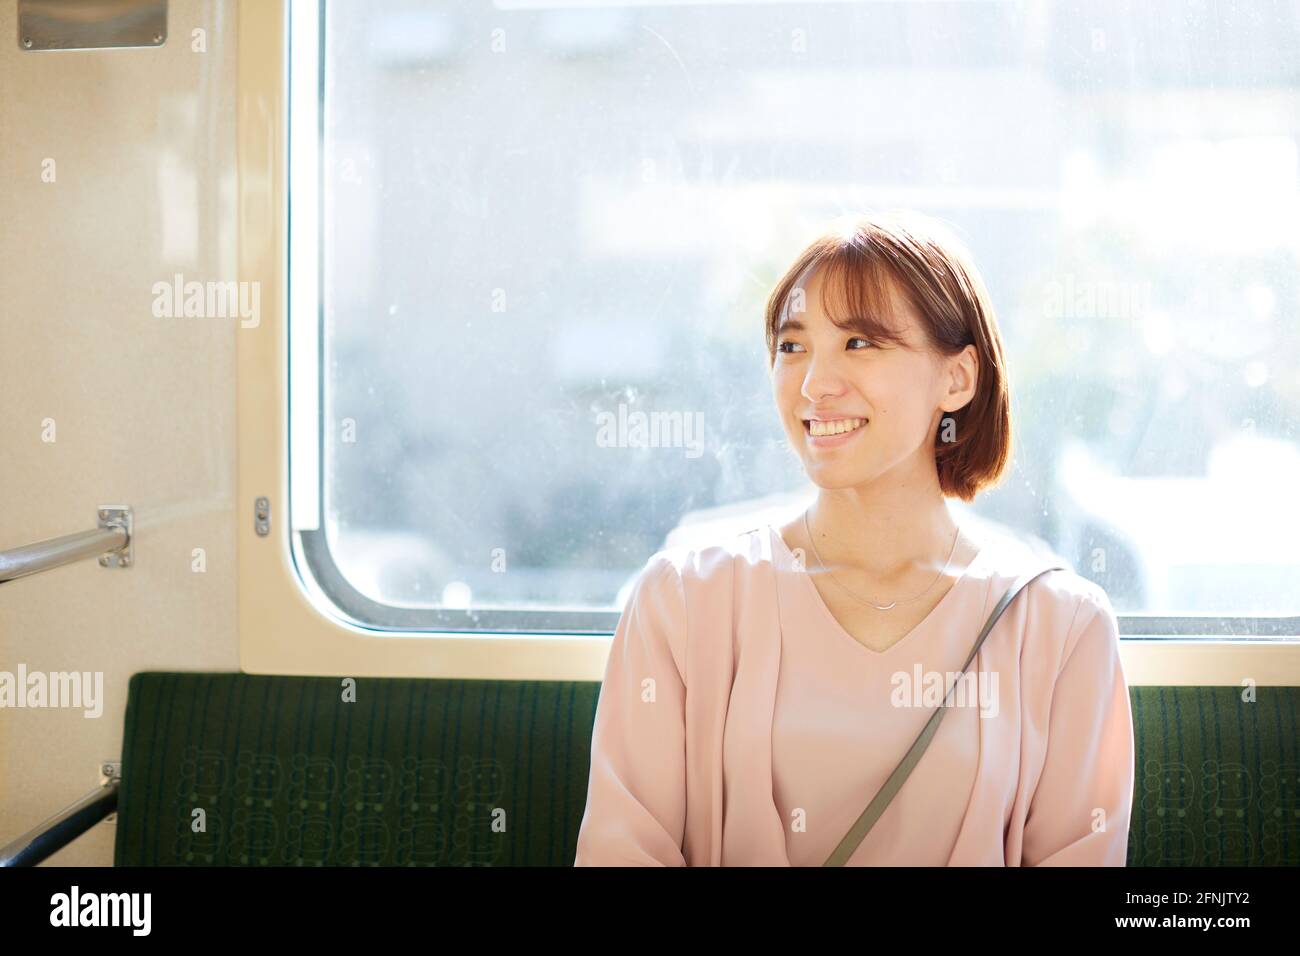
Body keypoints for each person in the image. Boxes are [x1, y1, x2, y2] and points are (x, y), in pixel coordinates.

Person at [574, 211, 1134, 866]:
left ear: (957, 379)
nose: (814, 385)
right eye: (792, 347)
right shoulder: (684, 600)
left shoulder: (1061, 627)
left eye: (860, 343)